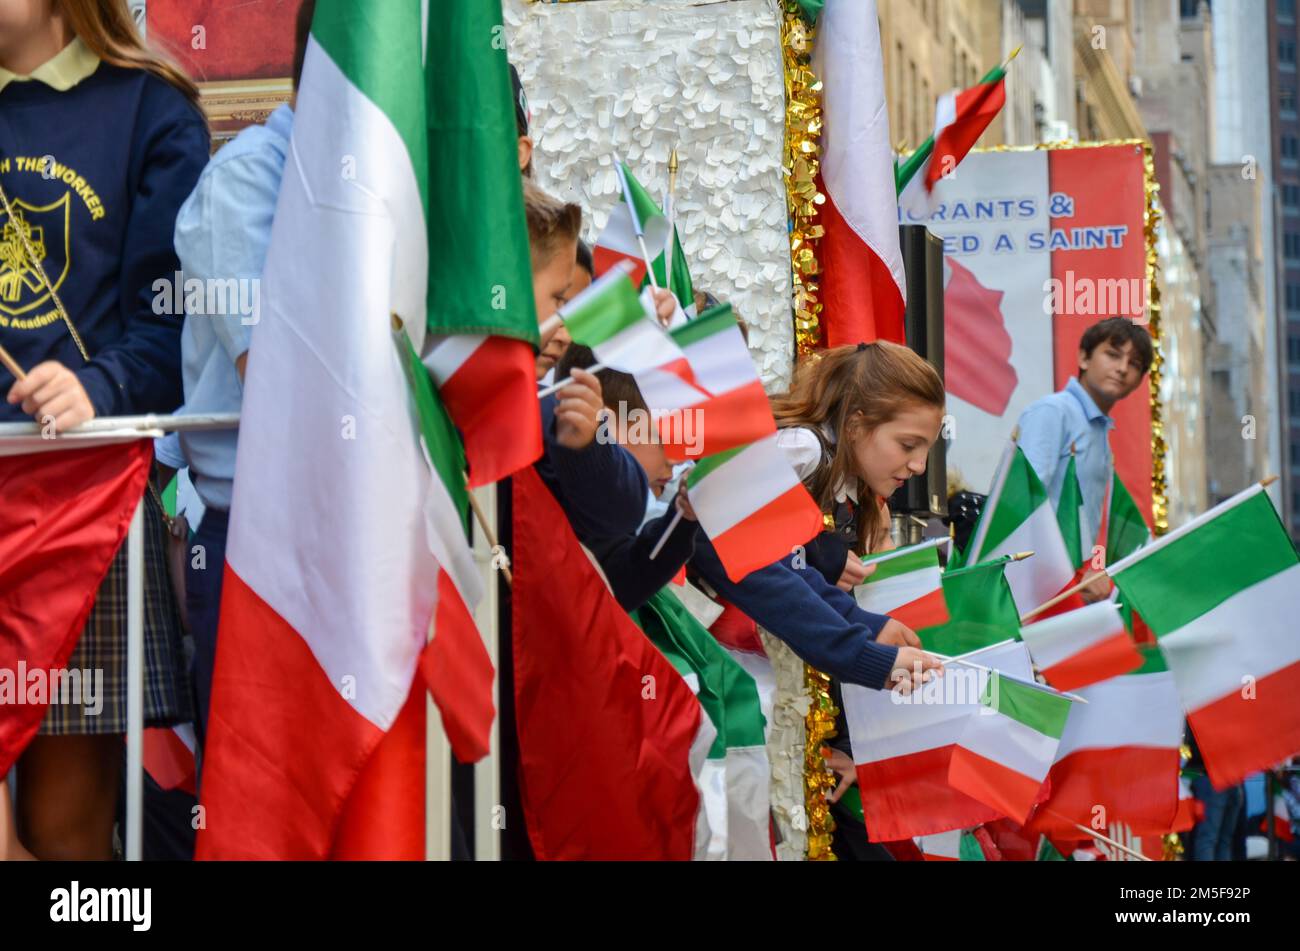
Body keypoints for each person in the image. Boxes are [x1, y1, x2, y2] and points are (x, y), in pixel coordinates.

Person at [0, 0, 209, 860]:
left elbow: (174, 329)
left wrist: (99, 385)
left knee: (65, 831)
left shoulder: (152, 110)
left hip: (80, 513)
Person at [168, 0, 313, 754]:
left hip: (348, 529)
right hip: (251, 537)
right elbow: (279, 382)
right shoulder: (246, 182)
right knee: (259, 793)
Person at [689, 342, 945, 694]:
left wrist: (862, 624)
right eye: (907, 445)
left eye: (927, 449)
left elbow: (779, 561)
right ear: (856, 424)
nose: (920, 466)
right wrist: (858, 652)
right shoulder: (803, 450)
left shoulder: (825, 461)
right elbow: (733, 549)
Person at [1016, 317, 1152, 602]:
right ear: (1084, 357)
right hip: (1032, 585)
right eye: (1113, 355)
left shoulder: (1099, 430)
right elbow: (1022, 506)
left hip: (1065, 586)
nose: (1122, 368)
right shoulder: (1053, 412)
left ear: (1140, 380)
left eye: (1135, 364)